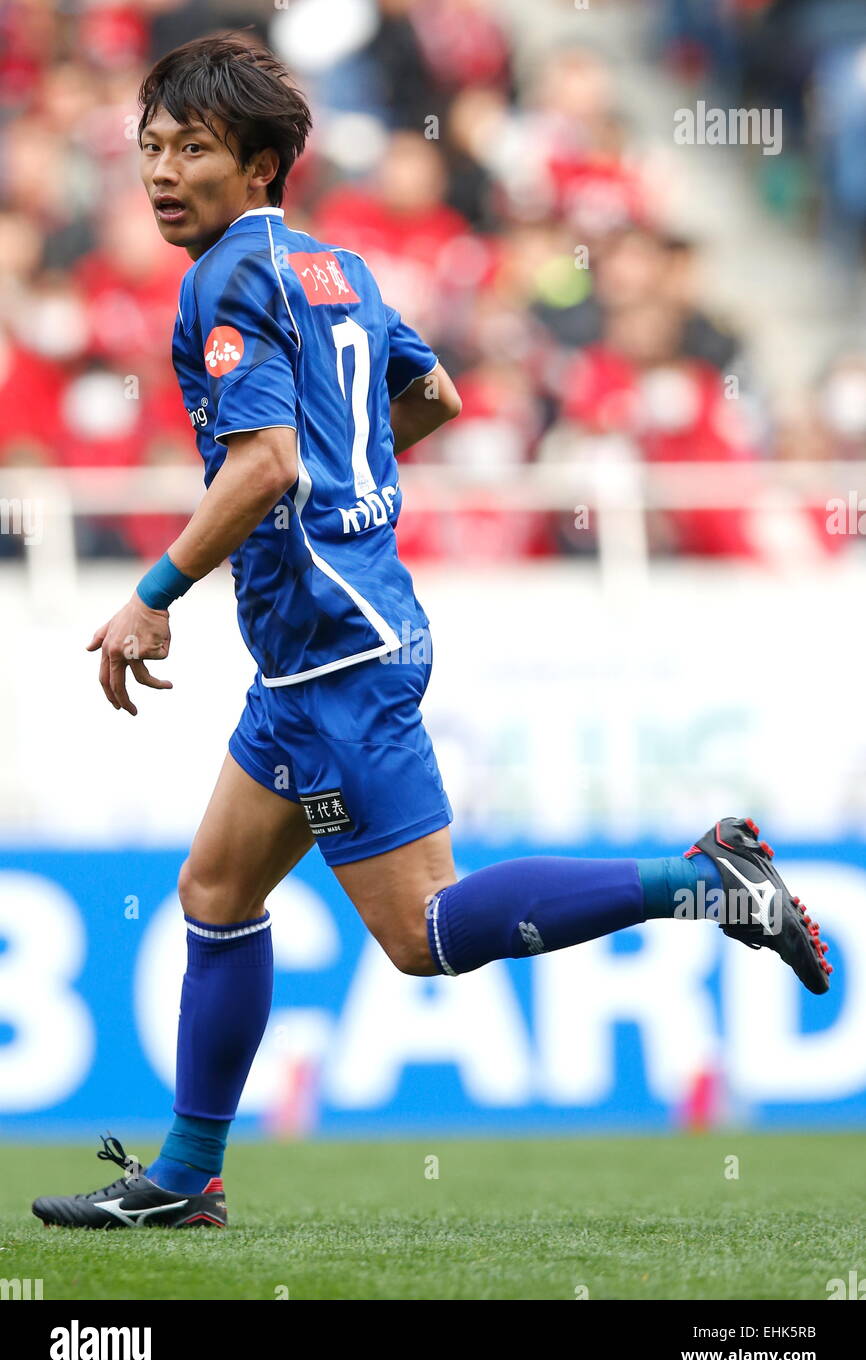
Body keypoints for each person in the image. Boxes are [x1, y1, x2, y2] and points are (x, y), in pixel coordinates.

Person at [32, 36, 830, 1231]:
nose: (159, 173)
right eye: (148, 148)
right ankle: (187, 1175)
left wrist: (153, 589)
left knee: (422, 932)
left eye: (190, 149)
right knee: (213, 888)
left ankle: (700, 877)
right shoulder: (336, 267)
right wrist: (342, 491)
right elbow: (436, 396)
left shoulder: (222, 280)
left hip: (336, 651)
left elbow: (261, 463)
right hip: (323, 643)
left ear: (258, 168)